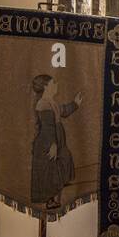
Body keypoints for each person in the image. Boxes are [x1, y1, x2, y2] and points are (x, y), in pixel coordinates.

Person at [30, 74, 83, 211]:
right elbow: (48, 127)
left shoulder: (51, 102)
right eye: (54, 83)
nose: (56, 85)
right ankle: (50, 200)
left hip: (56, 139)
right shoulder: (43, 104)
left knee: (64, 159)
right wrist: (52, 145)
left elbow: (63, 111)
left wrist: (75, 104)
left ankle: (58, 187)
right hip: (47, 141)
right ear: (46, 86)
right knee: (49, 170)